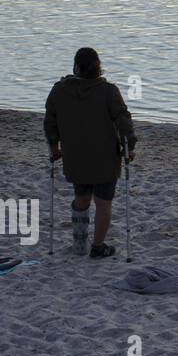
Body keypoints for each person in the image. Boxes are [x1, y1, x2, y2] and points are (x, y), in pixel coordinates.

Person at [44, 47, 137, 259]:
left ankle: (79, 243)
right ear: (99, 67)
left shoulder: (59, 90)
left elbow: (50, 121)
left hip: (75, 157)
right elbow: (123, 120)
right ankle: (97, 246)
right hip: (105, 158)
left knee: (82, 197)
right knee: (103, 202)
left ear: (76, 66)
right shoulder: (108, 91)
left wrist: (54, 147)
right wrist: (129, 147)